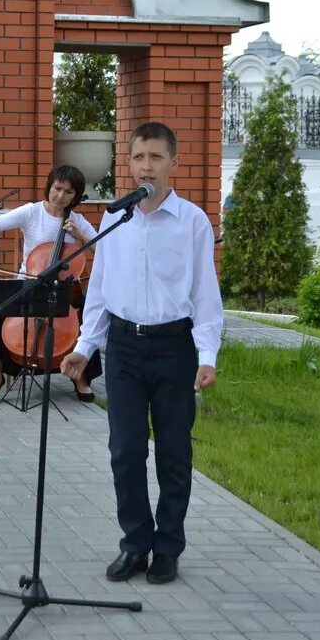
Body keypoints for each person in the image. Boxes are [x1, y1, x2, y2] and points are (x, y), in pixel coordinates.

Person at [61, 122, 223, 586]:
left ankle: (167, 547)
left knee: (173, 452)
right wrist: (85, 346)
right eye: (137, 158)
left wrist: (207, 354)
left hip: (174, 349)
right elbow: (101, 291)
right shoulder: (115, 219)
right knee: (125, 451)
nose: (146, 165)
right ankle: (135, 543)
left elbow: (205, 294)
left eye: (155, 157)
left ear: (174, 162)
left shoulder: (193, 221)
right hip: (126, 350)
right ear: (127, 164)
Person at [0, 164, 101, 403]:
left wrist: (81, 236)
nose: (60, 196)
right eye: (57, 188)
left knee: (86, 308)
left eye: (68, 192)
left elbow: (101, 249)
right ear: (49, 186)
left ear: (75, 196)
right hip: (29, 282)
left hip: (62, 288)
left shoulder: (77, 220)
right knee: (0, 307)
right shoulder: (32, 212)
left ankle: (80, 375)